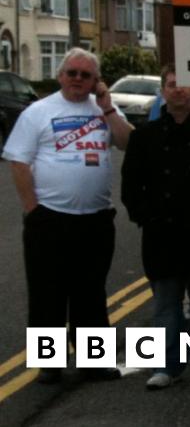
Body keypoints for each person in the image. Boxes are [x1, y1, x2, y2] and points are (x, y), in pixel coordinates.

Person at [5, 48, 132, 384]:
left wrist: (106, 106)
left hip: (95, 220)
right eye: (72, 73)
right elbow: (18, 162)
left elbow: (127, 142)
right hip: (49, 219)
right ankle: (50, 363)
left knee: (90, 292)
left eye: (86, 75)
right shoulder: (38, 112)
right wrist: (33, 211)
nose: (78, 79)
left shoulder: (102, 109)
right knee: (47, 292)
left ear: (95, 81)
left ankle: (94, 362)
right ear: (61, 76)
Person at [121, 66, 190, 389]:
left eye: (184, 85)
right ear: (163, 92)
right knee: (166, 307)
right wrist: (146, 218)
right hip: (163, 235)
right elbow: (131, 186)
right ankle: (165, 367)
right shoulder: (144, 136)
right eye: (171, 85)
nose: (178, 90)